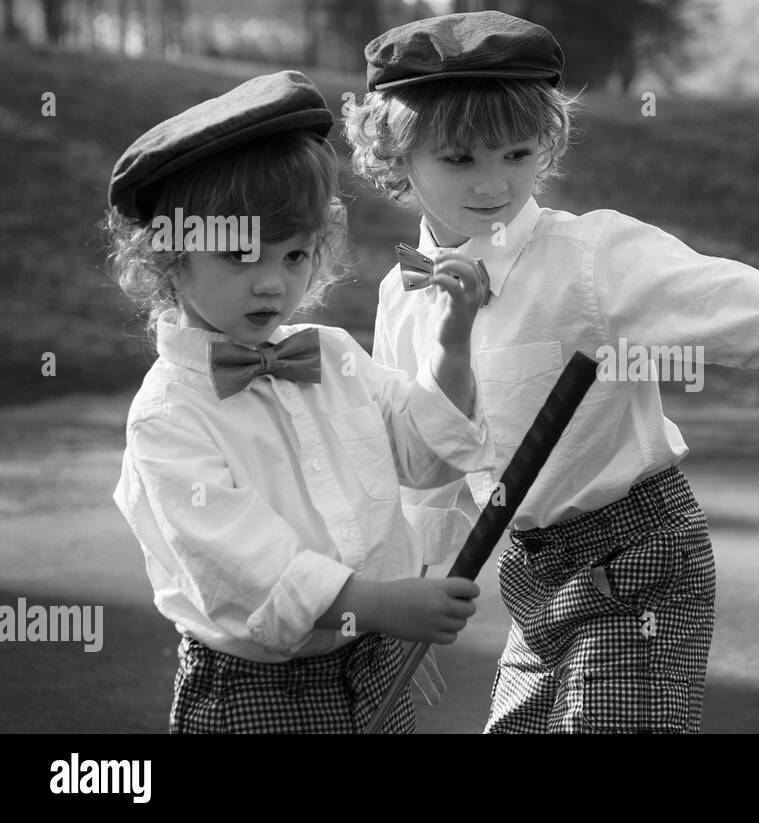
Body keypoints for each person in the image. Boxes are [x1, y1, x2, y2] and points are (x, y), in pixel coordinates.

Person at [345, 11, 759, 733]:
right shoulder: (400, 300)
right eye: (460, 159)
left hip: (643, 558)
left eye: (518, 152)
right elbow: (424, 470)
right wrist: (403, 596)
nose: (495, 183)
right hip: (536, 578)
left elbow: (721, 296)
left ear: (547, 144)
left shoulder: (590, 256)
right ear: (396, 155)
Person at [107, 70, 493, 733]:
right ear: (168, 257)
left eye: (293, 254)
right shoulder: (169, 416)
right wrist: (377, 604)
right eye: (238, 254)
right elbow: (246, 568)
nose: (272, 284)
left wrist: (453, 345)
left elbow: (427, 454)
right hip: (257, 693)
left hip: (371, 668)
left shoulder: (333, 353)